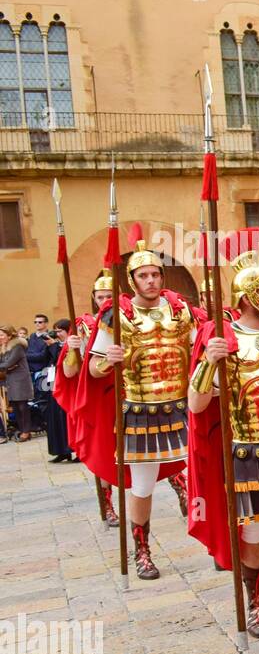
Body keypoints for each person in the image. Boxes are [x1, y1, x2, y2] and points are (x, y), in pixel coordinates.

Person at [188, 248, 259, 639]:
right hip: (252, 449)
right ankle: (256, 603)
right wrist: (206, 363)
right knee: (253, 532)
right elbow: (196, 404)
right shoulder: (225, 340)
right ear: (250, 297)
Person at [87, 230, 195, 578]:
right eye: (143, 275)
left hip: (182, 405)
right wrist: (108, 360)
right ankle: (143, 550)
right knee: (143, 486)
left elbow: (200, 352)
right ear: (132, 280)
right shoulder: (114, 316)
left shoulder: (182, 311)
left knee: (205, 476)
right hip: (140, 409)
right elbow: (93, 367)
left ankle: (217, 541)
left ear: (162, 277)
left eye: (155, 274)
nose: (150, 280)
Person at [57, 270, 119, 524]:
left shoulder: (128, 320)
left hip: (129, 393)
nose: (105, 300)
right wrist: (72, 349)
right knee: (104, 451)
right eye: (100, 295)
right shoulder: (82, 326)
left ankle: (179, 486)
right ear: (93, 297)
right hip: (98, 397)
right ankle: (108, 505)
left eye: (109, 295)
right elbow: (69, 371)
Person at [45, 319, 75, 462]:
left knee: (67, 418)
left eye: (60, 331)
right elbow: (45, 359)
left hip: (68, 386)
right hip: (55, 384)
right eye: (55, 331)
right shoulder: (55, 345)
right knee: (55, 418)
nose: (57, 334)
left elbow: (64, 362)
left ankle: (76, 450)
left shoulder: (72, 344)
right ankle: (61, 451)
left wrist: (55, 346)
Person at [0, 325, 33, 442]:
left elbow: (8, 363)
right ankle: (22, 429)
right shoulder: (4, 347)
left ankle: (26, 432)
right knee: (15, 406)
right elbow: (4, 364)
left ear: (9, 335)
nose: (0, 337)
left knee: (22, 406)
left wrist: (6, 367)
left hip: (20, 380)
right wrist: (6, 367)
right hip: (10, 380)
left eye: (2, 335)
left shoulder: (17, 346)